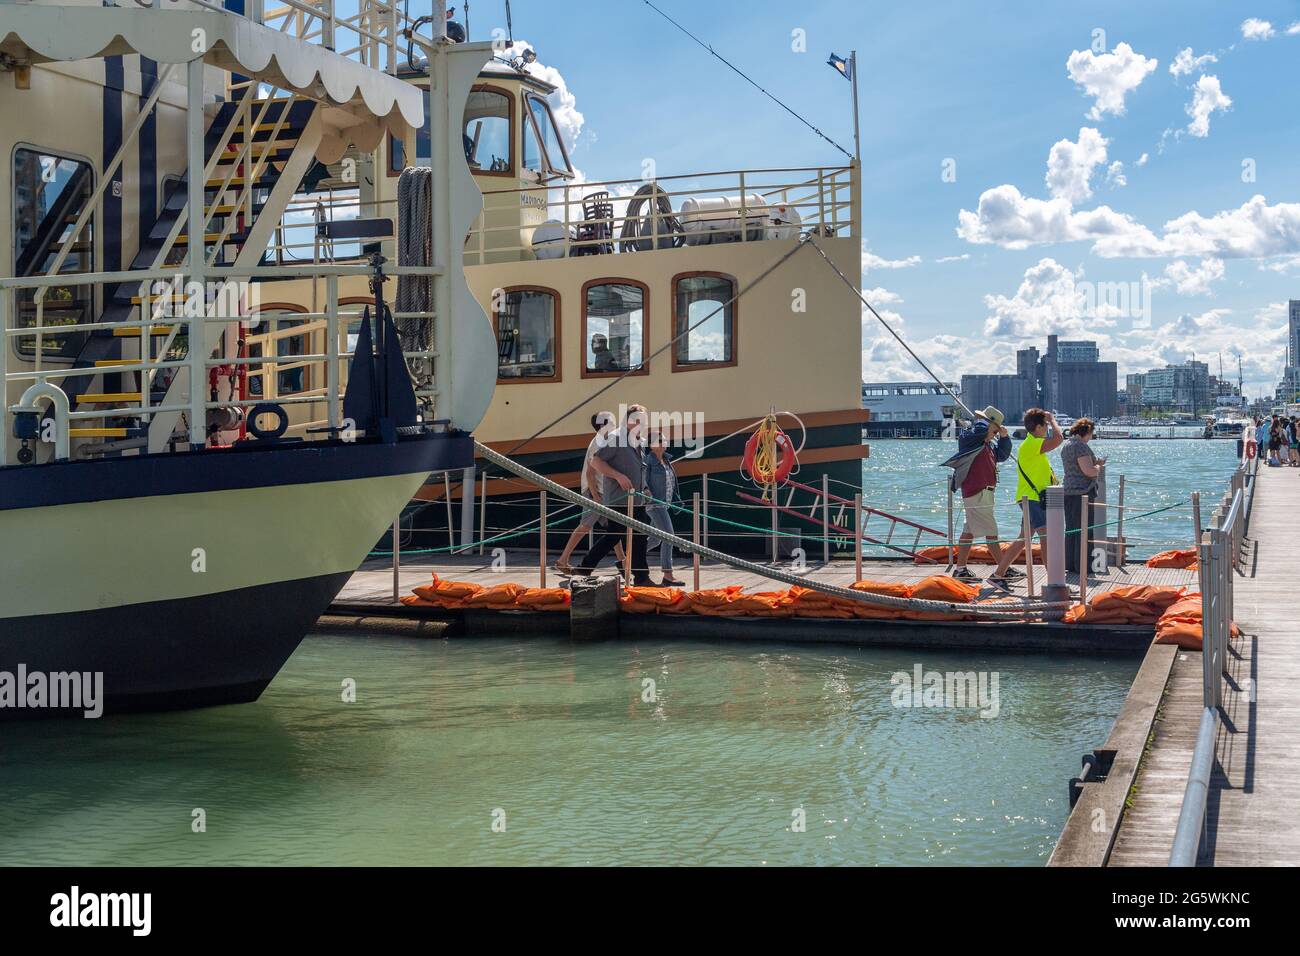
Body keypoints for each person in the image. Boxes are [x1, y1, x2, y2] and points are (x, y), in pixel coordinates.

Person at [572, 404, 654, 586]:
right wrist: (618, 476)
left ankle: (585, 568)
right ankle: (641, 578)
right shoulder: (616, 437)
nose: (642, 423)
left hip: (636, 499)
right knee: (624, 536)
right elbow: (596, 462)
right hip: (619, 500)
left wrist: (645, 487)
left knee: (629, 537)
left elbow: (639, 469)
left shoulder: (639, 441)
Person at [988, 408, 1064, 590]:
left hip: (1031, 498)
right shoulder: (1032, 444)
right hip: (1032, 499)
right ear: (1038, 427)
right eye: (1045, 426)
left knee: (1023, 539)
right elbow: (1059, 439)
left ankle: (997, 575)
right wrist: (1053, 419)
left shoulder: (1032, 444)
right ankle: (1055, 582)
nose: (1048, 429)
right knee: (1046, 538)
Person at [943, 405, 1019, 583]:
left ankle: (960, 569)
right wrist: (985, 424)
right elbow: (977, 431)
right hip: (977, 492)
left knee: (969, 531)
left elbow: (1002, 455)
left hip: (983, 493)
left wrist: (1004, 438)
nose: (995, 434)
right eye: (994, 430)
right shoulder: (971, 437)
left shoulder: (987, 444)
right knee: (991, 532)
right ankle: (1002, 569)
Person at [555, 411, 622, 574]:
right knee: (585, 525)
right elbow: (590, 473)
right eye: (611, 421)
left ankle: (623, 560)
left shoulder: (605, 440)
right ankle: (563, 559)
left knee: (613, 529)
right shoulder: (599, 443)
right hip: (596, 491)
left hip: (602, 491)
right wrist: (595, 496)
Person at [1059, 418, 1105, 573]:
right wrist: (1098, 467)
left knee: (1071, 529)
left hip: (1068, 490)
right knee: (1084, 529)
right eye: (1091, 434)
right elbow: (1088, 471)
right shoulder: (1080, 446)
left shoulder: (1067, 445)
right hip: (1082, 492)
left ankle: (1070, 563)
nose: (1091, 437)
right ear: (1087, 432)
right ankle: (1083, 565)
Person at [643, 430, 685, 586]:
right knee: (669, 536)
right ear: (652, 445)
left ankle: (628, 559)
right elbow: (643, 481)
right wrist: (646, 491)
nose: (664, 443)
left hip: (664, 504)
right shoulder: (648, 461)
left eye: (665, 440)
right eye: (661, 440)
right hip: (655, 504)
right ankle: (668, 574)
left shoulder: (666, 460)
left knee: (655, 540)